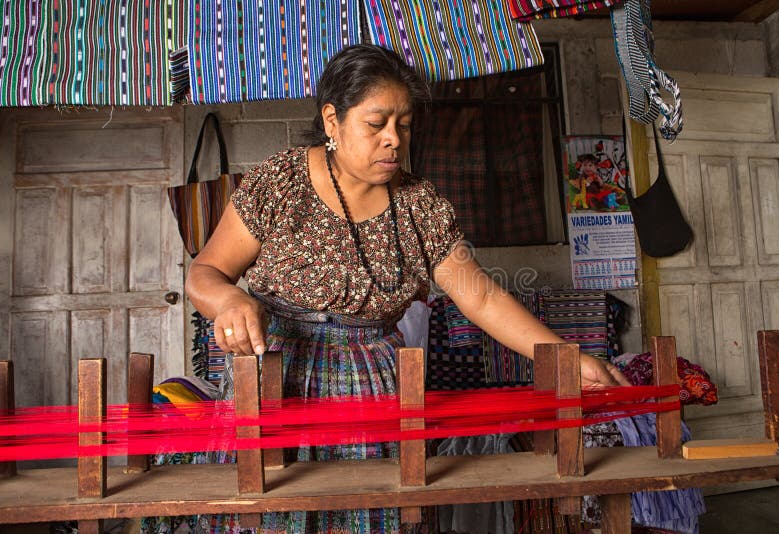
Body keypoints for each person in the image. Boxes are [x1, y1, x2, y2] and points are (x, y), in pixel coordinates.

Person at [185, 43, 629, 533]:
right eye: (376, 124)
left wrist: (569, 355)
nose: (394, 139)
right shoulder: (279, 183)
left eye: (405, 124)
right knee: (271, 516)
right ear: (332, 121)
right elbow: (205, 273)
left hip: (372, 389)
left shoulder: (420, 206)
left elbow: (480, 296)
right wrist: (228, 299)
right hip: (277, 378)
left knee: (371, 518)